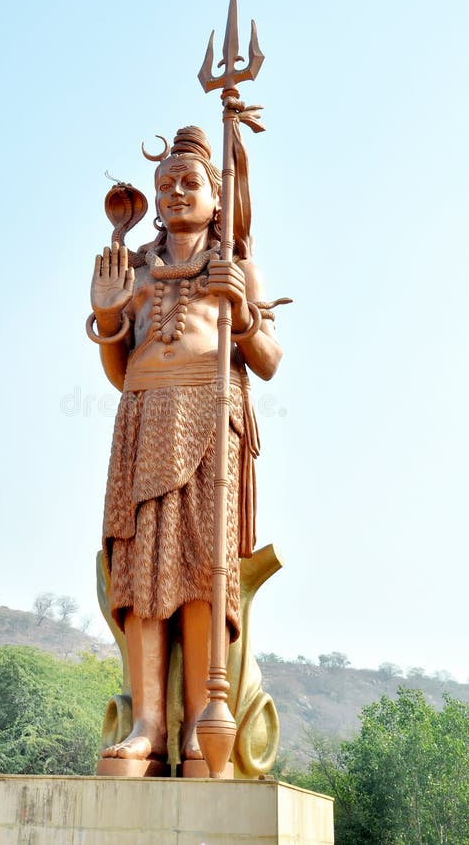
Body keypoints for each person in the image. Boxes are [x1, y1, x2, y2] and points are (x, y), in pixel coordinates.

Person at [88, 126, 282, 764]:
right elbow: (119, 372)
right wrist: (112, 318)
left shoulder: (235, 265)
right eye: (164, 184)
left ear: (218, 195)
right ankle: (148, 724)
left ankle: (207, 718)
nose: (174, 193)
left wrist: (243, 311)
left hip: (210, 415)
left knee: (203, 568)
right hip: (145, 414)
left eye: (189, 183)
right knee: (143, 574)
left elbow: (270, 360)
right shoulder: (138, 269)